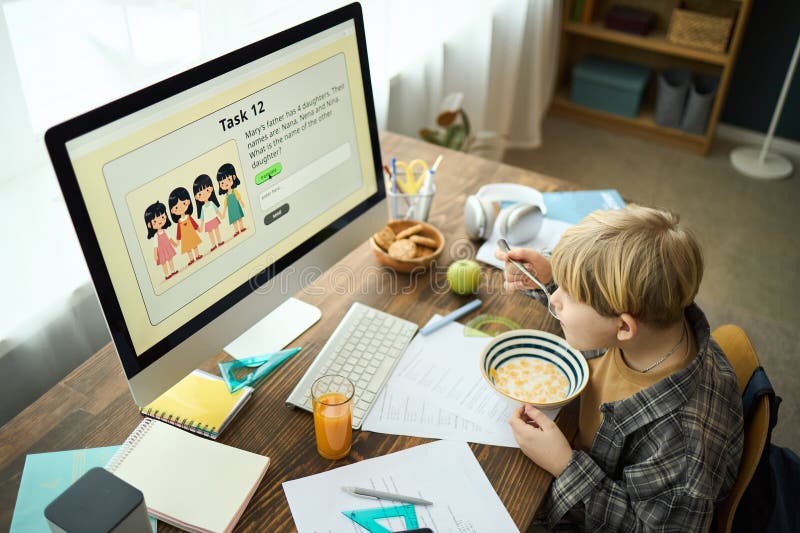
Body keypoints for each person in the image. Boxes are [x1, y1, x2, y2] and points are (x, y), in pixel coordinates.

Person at [495, 204, 743, 532]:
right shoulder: (656, 317)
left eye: (568, 294)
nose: (556, 299)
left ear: (624, 328)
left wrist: (565, 465)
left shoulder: (681, 447)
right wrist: (552, 276)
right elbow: (596, 312)